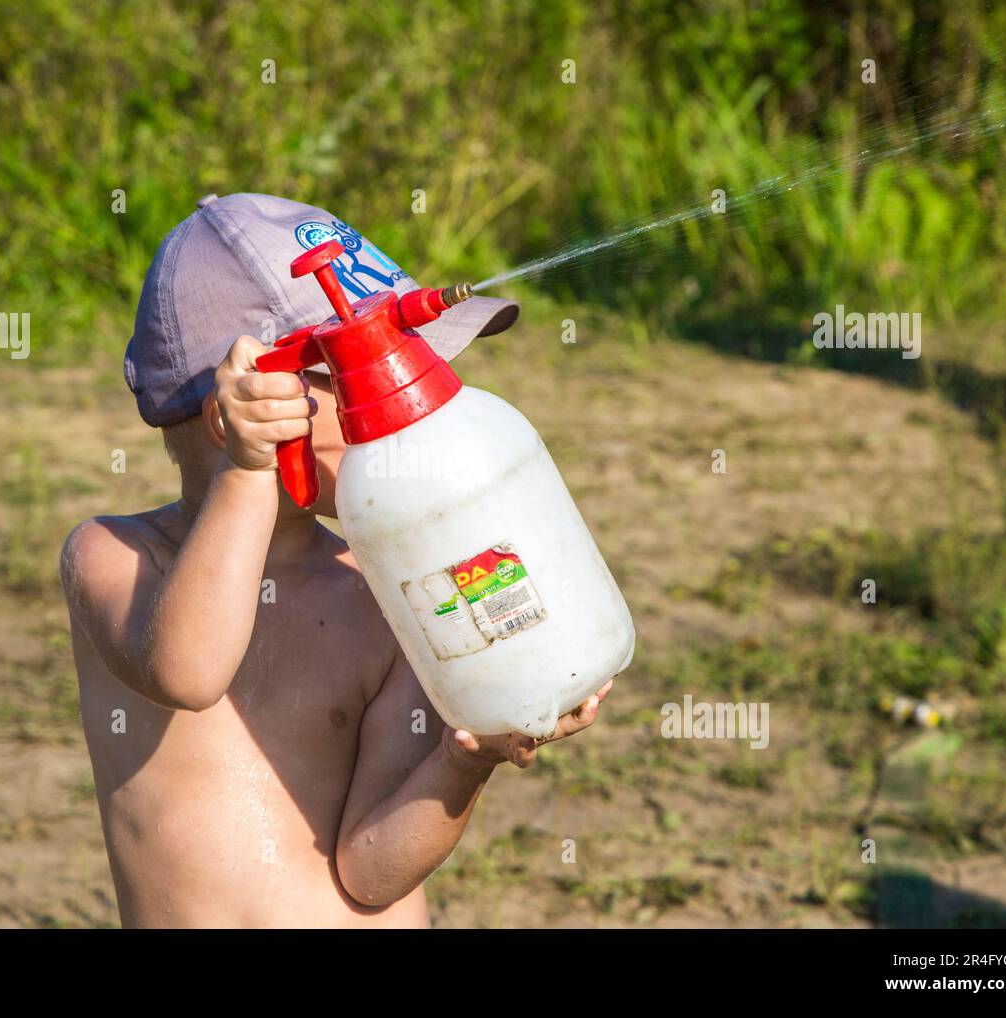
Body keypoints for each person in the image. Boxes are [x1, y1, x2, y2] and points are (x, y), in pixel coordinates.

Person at [60, 193, 614, 927]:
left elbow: (371, 869)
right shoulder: (117, 555)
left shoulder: (388, 585)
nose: (416, 409)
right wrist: (247, 471)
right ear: (242, 404)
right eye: (365, 373)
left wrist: (468, 757)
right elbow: (190, 673)